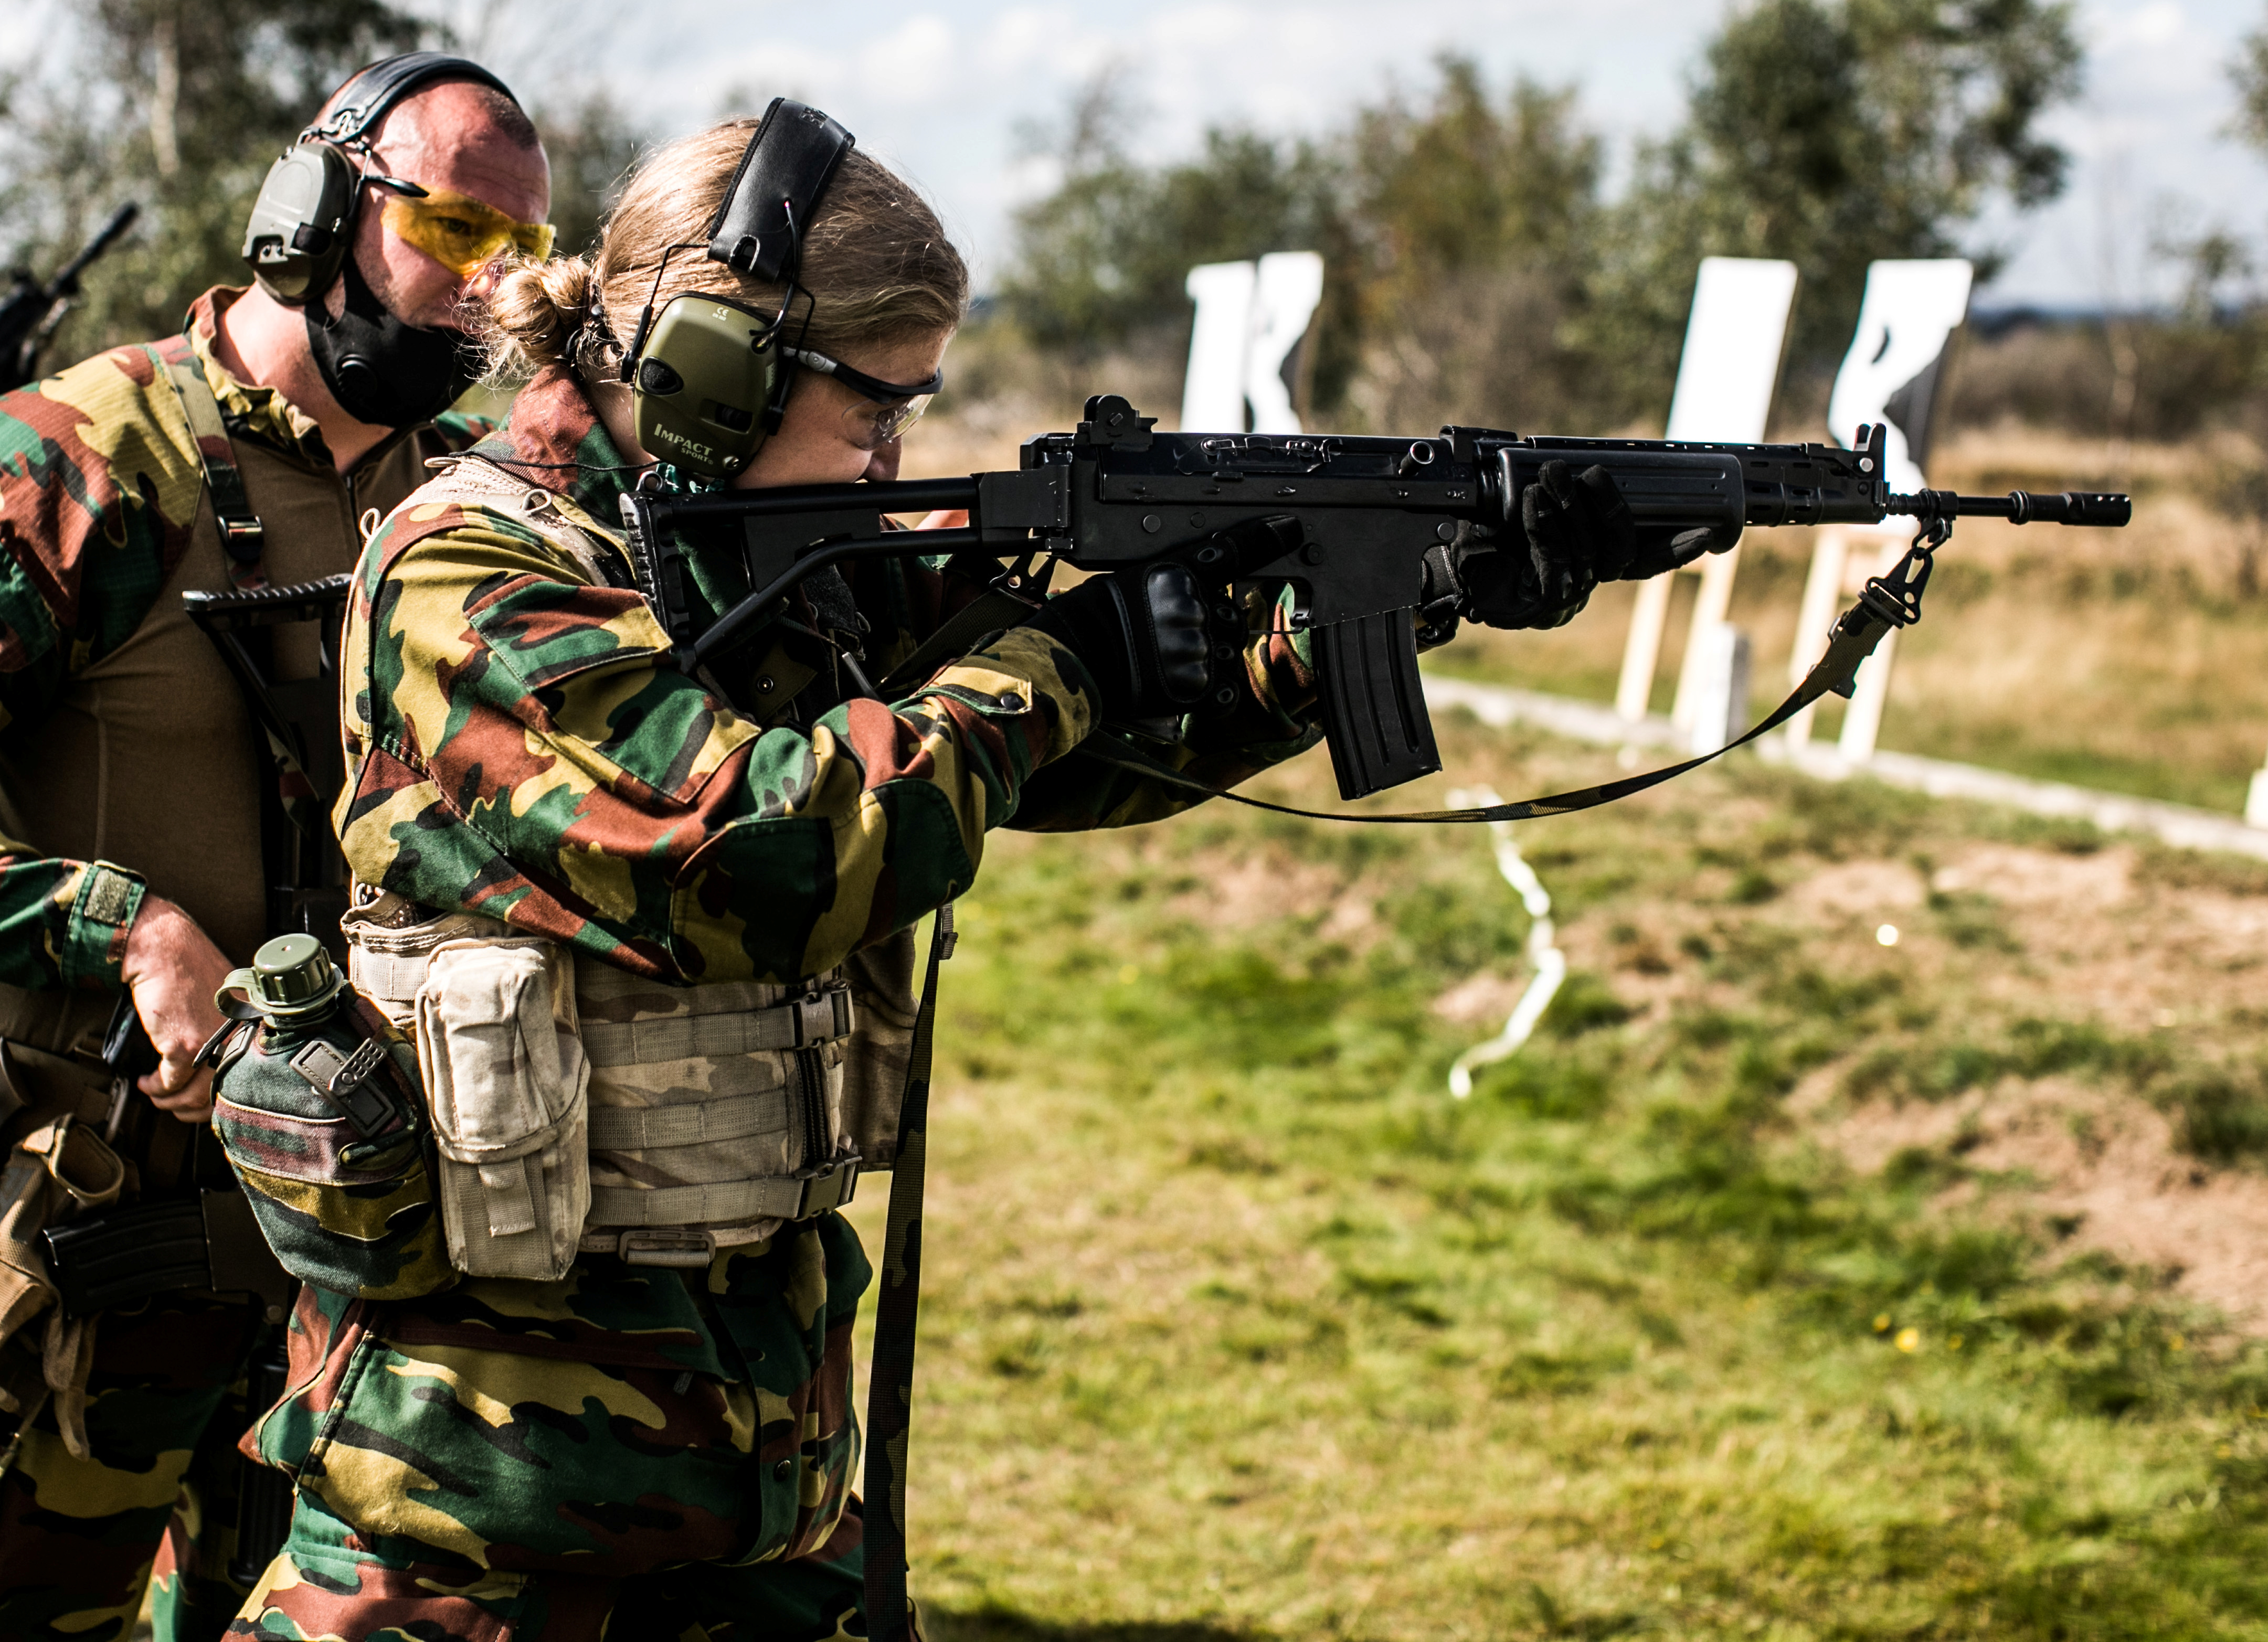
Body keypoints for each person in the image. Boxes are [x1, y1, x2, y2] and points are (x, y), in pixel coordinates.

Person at [216, 107, 1647, 1640]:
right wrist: (1058, 667)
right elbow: (751, 848)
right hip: (481, 1501)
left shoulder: (758, 550)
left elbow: (1078, 749)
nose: (894, 454)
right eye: (875, 407)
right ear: (719, 367)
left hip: (758, 1477)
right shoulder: (480, 567)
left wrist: (1383, 602)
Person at [0, 53, 554, 1642]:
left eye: (520, 252)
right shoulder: (66, 463)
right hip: (76, 1244)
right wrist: (120, 932)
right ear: (312, 214)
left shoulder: (463, 501)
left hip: (348, 1267)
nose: (488, 289)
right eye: (452, 229)